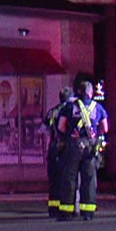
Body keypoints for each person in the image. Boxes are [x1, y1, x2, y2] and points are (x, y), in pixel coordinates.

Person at [56, 75, 109, 220]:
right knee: (89, 179)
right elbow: (105, 128)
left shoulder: (70, 107)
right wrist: (94, 135)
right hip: (90, 146)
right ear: (91, 93)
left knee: (70, 177)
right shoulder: (98, 108)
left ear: (79, 92)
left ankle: (67, 212)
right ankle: (88, 212)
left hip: (74, 145)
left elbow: (61, 126)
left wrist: (69, 135)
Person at [42, 88, 73, 220]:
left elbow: (44, 129)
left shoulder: (52, 111)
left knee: (53, 179)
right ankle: (63, 206)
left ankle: (53, 208)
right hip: (64, 146)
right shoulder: (69, 110)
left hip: (53, 146)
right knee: (65, 178)